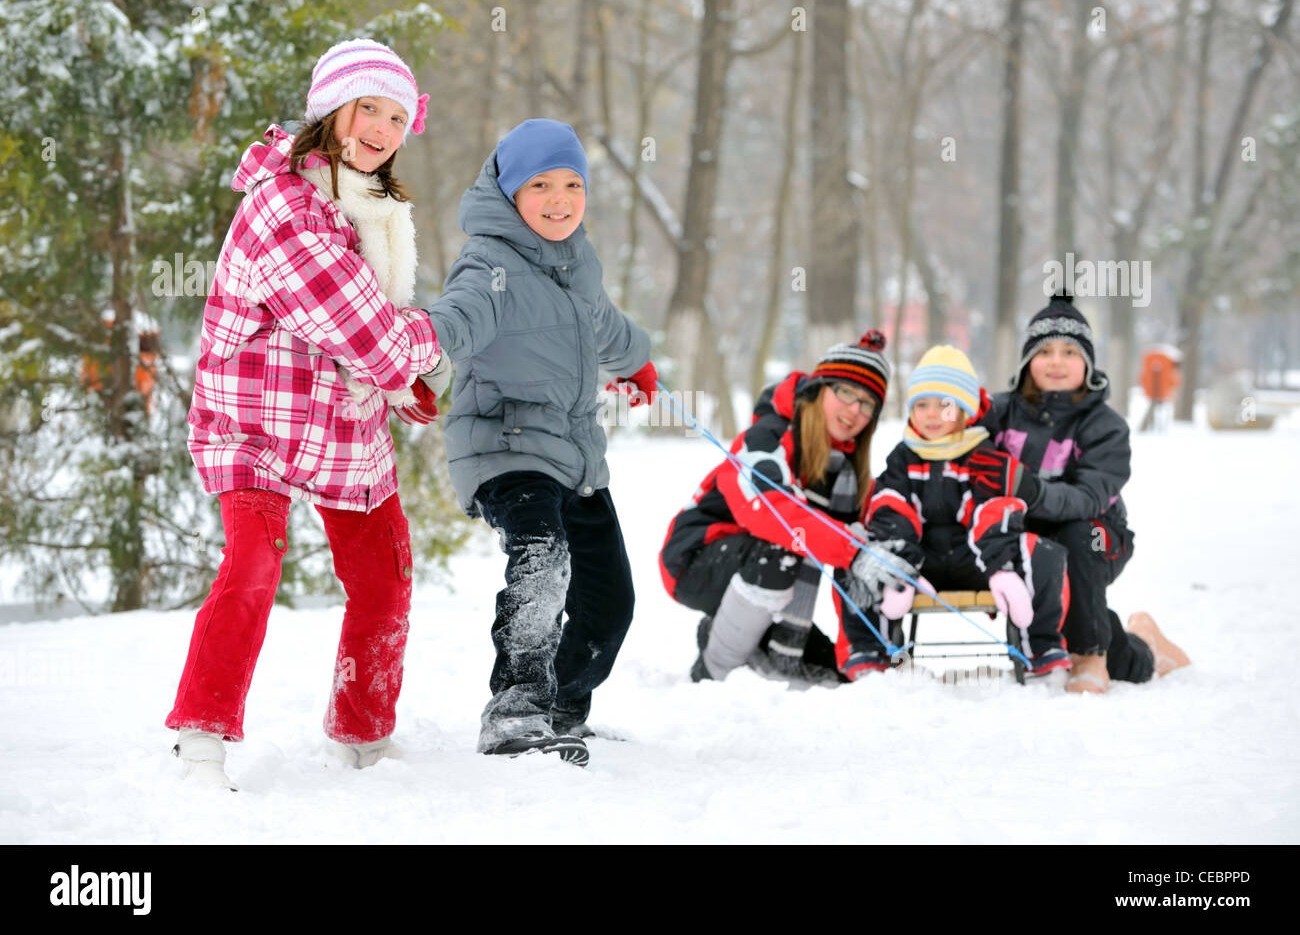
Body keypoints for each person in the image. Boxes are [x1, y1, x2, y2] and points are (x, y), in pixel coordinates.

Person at [166, 40, 443, 790]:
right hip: (255, 423)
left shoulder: (368, 208)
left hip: (340, 425)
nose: (383, 129)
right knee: (254, 564)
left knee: (385, 573)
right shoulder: (288, 207)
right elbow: (374, 337)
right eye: (368, 109)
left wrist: (405, 375)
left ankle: (363, 735)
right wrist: (435, 333)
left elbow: (377, 347)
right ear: (331, 112)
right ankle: (200, 737)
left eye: (396, 115)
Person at [425, 119, 656, 766]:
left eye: (573, 183)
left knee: (610, 600)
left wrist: (637, 359)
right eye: (541, 185)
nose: (560, 198)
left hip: (574, 452)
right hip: (505, 445)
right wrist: (419, 347)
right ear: (510, 192)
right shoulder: (490, 261)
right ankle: (515, 712)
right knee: (543, 557)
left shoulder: (577, 259)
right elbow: (460, 316)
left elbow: (603, 323)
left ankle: (561, 707)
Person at [659, 331, 920, 685]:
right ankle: (713, 672)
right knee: (779, 550)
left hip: (770, 577)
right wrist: (854, 551)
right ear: (819, 389)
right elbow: (771, 511)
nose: (855, 409)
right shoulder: (768, 436)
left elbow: (867, 535)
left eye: (867, 402)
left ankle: (745, 640)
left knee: (832, 676)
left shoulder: (846, 473)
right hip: (697, 558)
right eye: (846, 392)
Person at [976, 292, 1190, 693]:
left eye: (1070, 352)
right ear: (1026, 361)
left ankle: (1095, 654)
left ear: (1088, 363)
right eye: (1045, 352)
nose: (1056, 362)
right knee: (1042, 562)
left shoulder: (1105, 426)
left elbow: (1089, 498)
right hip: (1026, 537)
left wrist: (1028, 490)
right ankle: (1129, 638)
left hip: (1100, 536)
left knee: (1076, 538)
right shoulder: (998, 414)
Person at [864, 345, 1072, 677]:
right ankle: (876, 652)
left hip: (976, 559)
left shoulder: (981, 454)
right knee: (865, 553)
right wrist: (903, 564)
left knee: (1045, 553)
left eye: (945, 406)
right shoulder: (902, 457)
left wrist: (1001, 566)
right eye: (922, 405)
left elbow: (993, 510)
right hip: (921, 564)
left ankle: (1040, 646)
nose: (932, 414)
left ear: (964, 410)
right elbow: (891, 507)